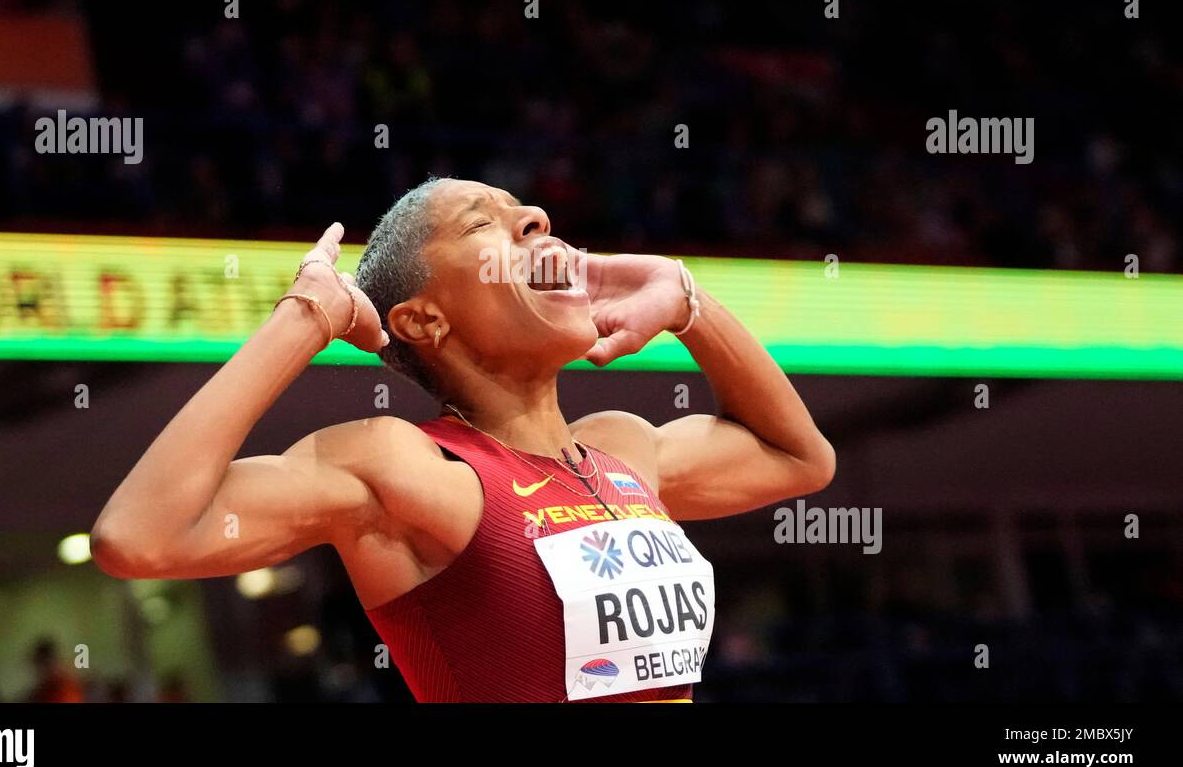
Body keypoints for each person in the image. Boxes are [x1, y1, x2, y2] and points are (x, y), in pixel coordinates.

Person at [92, 177, 835, 702]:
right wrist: (305, 317)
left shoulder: (623, 449)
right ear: (423, 321)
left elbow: (800, 457)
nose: (537, 220)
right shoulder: (403, 470)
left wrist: (687, 299)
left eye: (527, 214)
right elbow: (139, 538)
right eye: (484, 224)